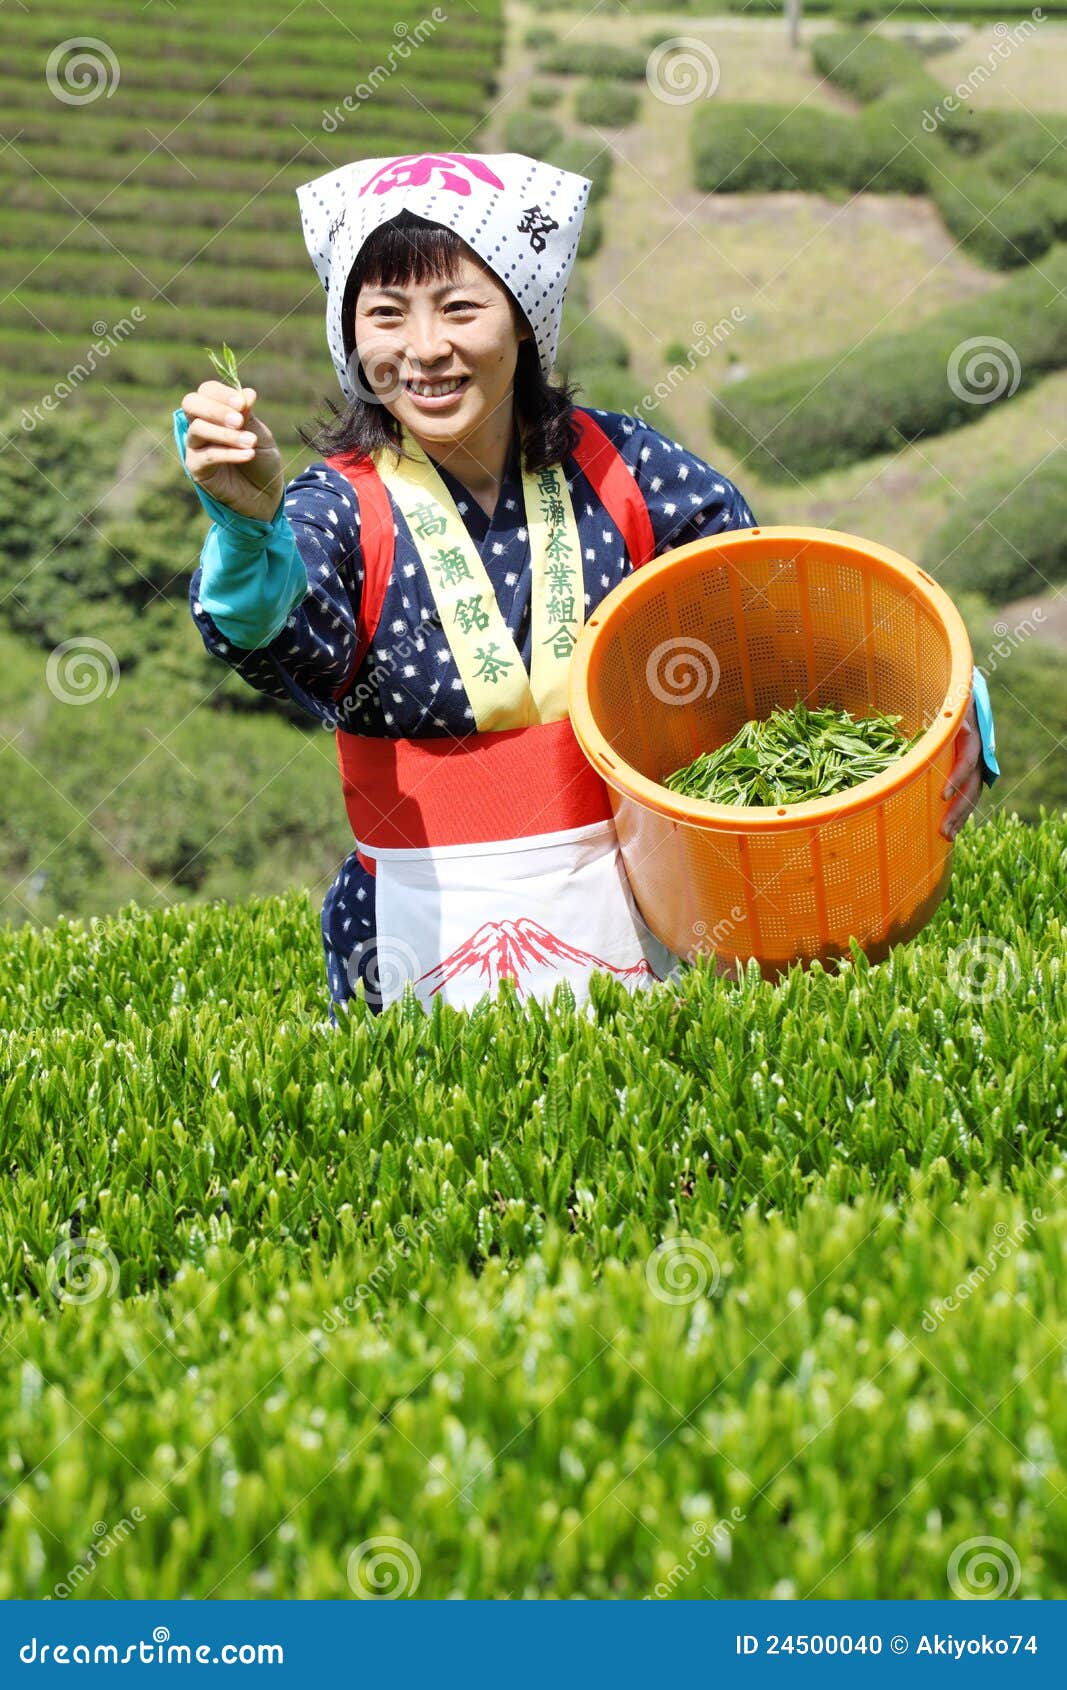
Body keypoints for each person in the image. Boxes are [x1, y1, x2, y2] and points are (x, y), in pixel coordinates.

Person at [172, 150, 999, 1023]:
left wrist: (933, 702)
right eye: (385, 316)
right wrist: (247, 531)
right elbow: (270, 625)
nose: (423, 350)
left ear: (524, 318)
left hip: (651, 902)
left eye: (459, 307)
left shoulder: (626, 468)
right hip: (412, 930)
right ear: (352, 340)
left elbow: (767, 618)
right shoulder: (338, 504)